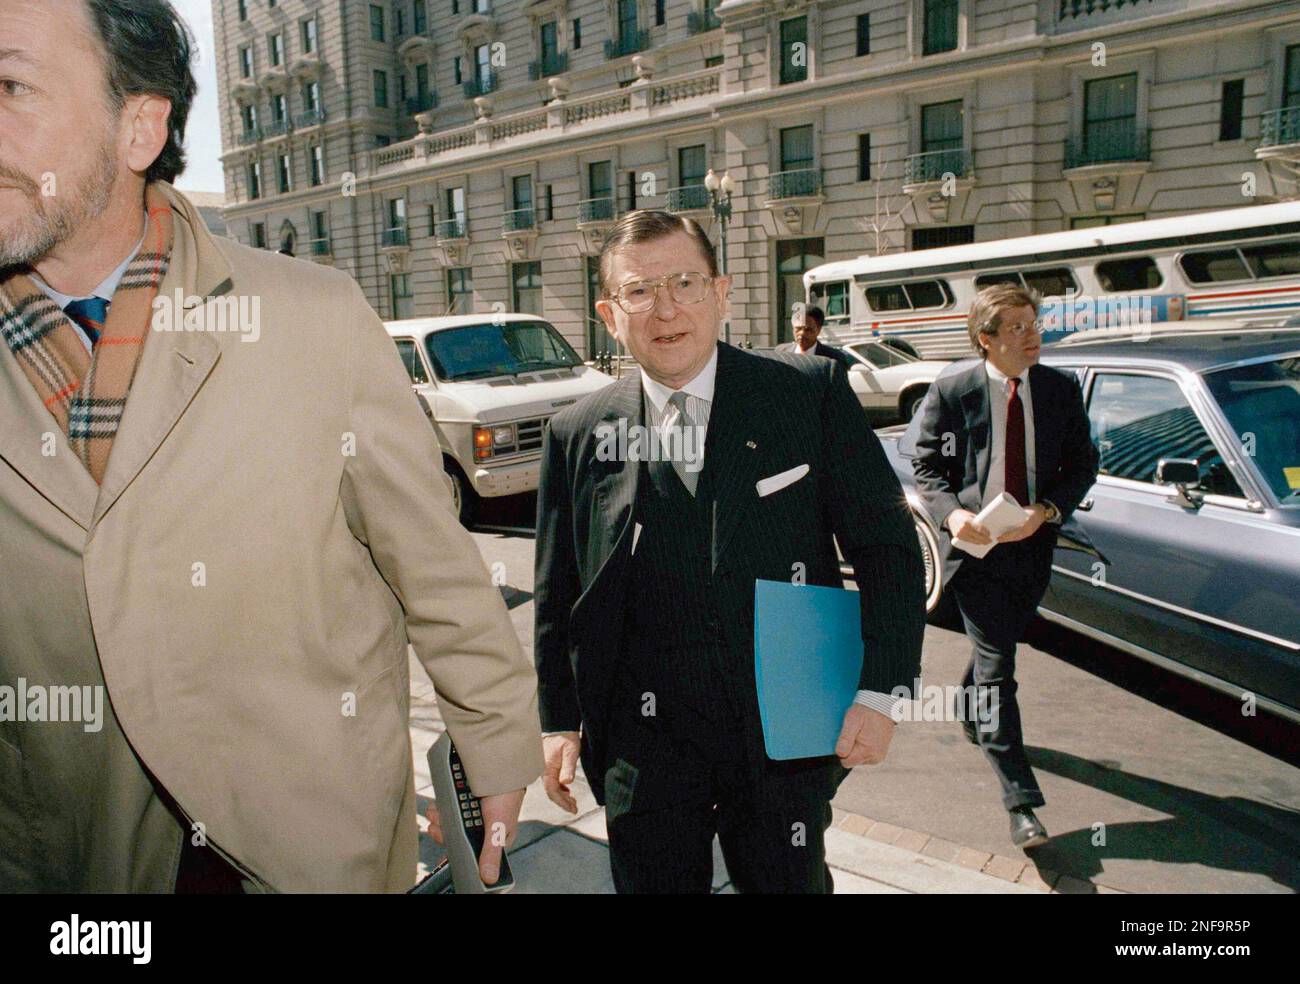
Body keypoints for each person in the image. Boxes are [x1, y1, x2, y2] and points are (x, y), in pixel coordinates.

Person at [0, 0, 541, 892]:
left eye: (12, 86)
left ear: (139, 127)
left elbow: (433, 562)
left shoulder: (313, 317)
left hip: (299, 845)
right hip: (73, 860)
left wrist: (496, 739)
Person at [533, 210, 926, 893]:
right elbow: (559, 591)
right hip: (642, 743)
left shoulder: (808, 395)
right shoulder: (577, 432)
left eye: (685, 283)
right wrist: (559, 722)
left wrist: (882, 690)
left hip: (783, 732)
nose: (666, 309)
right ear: (608, 313)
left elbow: (888, 547)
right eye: (639, 291)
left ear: (721, 291)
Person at [911, 284, 1099, 850]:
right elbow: (926, 465)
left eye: (1033, 324)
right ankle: (1021, 802)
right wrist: (952, 517)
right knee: (999, 668)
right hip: (976, 552)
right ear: (985, 341)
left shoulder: (1059, 390)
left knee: (999, 647)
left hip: (1032, 545)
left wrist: (1046, 511)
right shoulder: (954, 389)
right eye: (1016, 328)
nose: (1032, 335)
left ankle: (971, 701)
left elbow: (1083, 464)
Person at [774, 305, 853, 372]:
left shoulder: (834, 358)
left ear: (818, 330)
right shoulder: (780, 352)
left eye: (808, 329)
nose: (802, 333)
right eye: (798, 328)